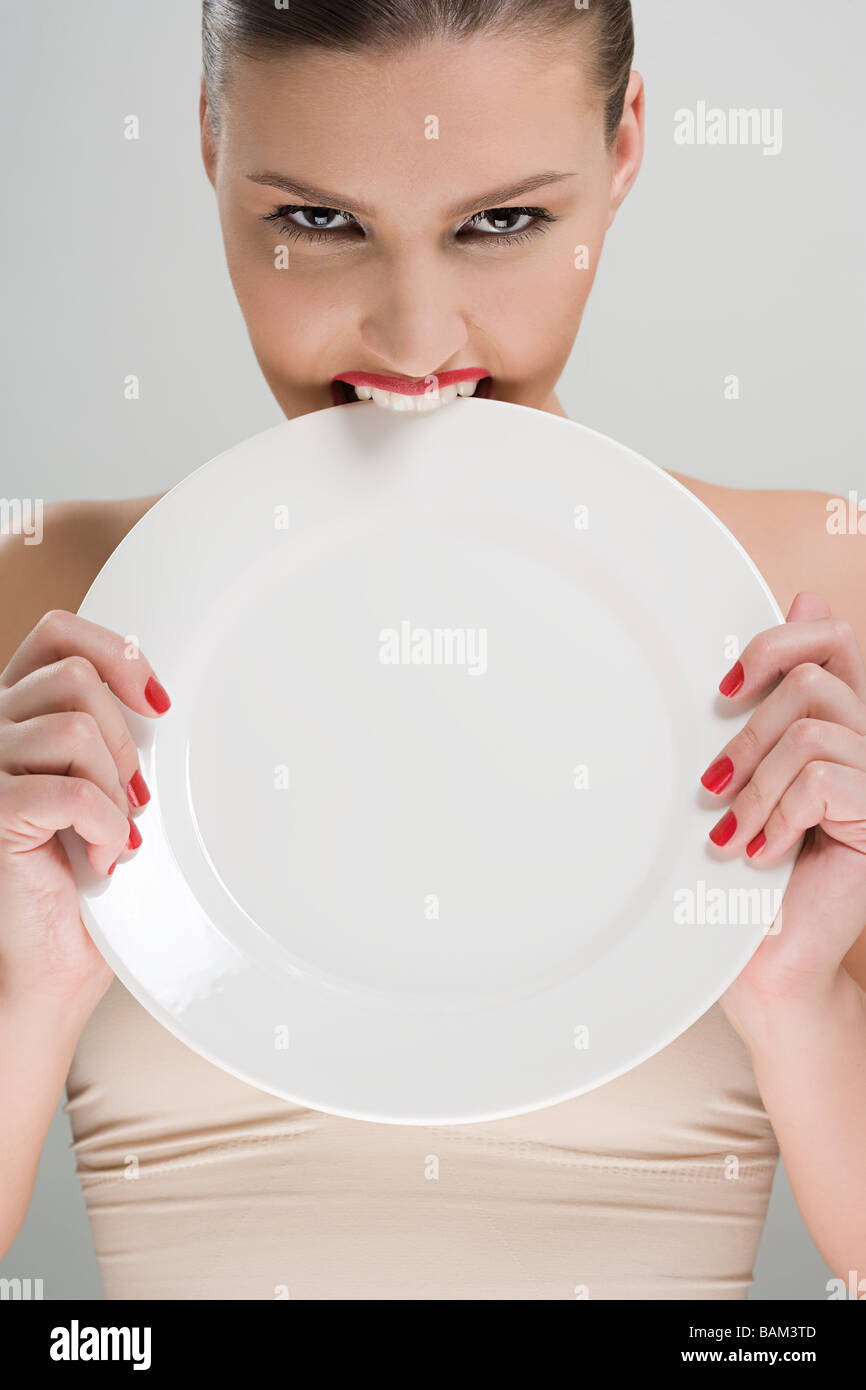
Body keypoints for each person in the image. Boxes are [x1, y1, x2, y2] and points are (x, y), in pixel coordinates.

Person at [1, 0, 864, 1300]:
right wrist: (36, 984)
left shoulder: (820, 607)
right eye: (318, 221)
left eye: (501, 222)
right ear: (208, 141)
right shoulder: (35, 609)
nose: (413, 347)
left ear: (623, 145)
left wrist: (799, 999)